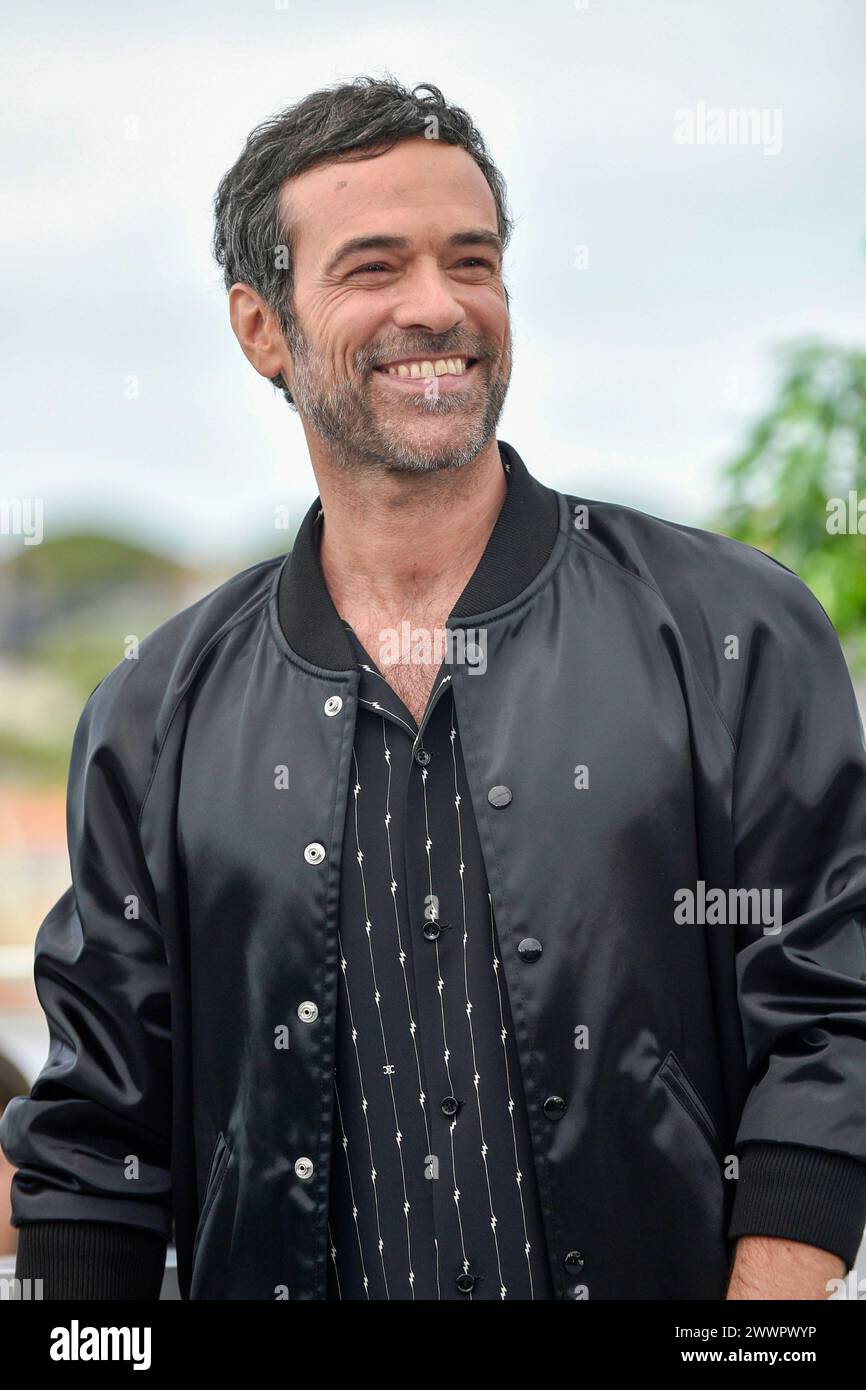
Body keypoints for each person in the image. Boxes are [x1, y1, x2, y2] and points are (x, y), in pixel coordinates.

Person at [2, 75, 865, 1301]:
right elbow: (97, 1139)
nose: (438, 305)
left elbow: (833, 1000)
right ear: (262, 327)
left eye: (471, 259)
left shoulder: (729, 627)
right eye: (371, 267)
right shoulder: (152, 714)